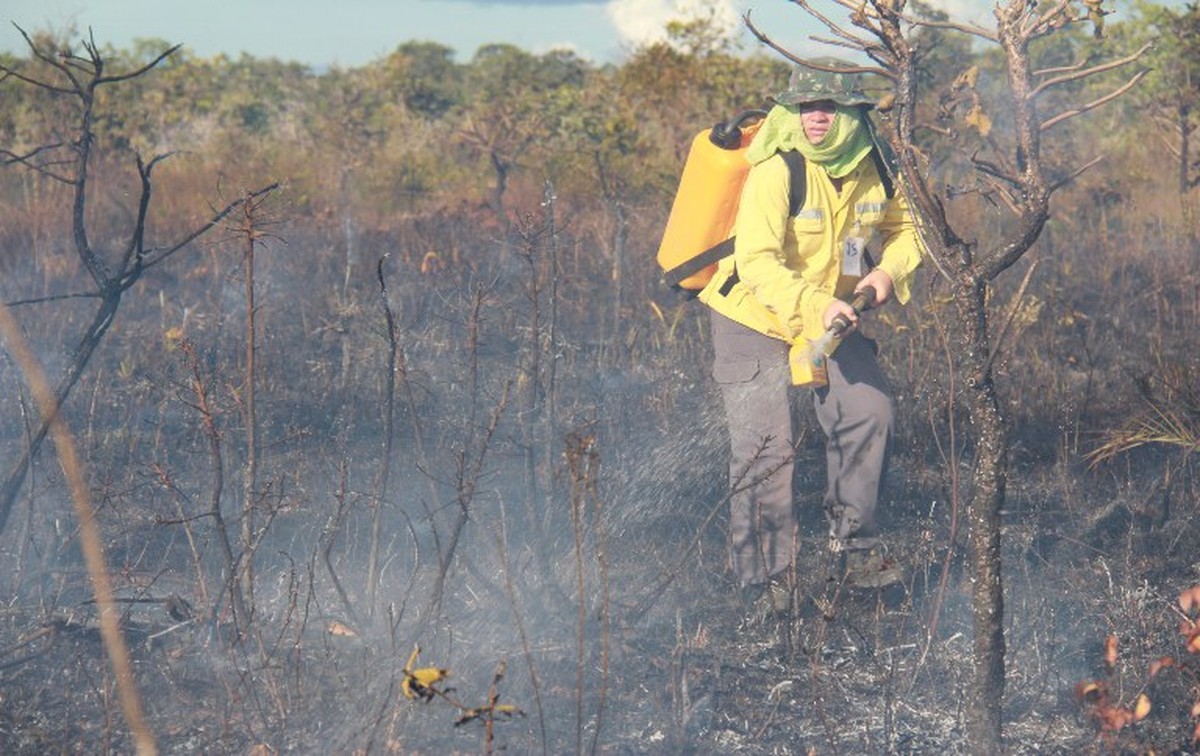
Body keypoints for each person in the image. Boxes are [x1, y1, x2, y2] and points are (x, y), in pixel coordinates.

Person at [696, 63, 923, 615]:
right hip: (754, 313)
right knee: (765, 450)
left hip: (832, 315)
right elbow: (755, 262)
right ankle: (767, 580)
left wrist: (889, 271)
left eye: (829, 107)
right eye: (805, 107)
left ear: (854, 115)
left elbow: (909, 227)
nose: (816, 117)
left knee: (870, 410)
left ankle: (855, 548)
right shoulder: (778, 168)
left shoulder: (877, 166)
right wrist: (819, 306)